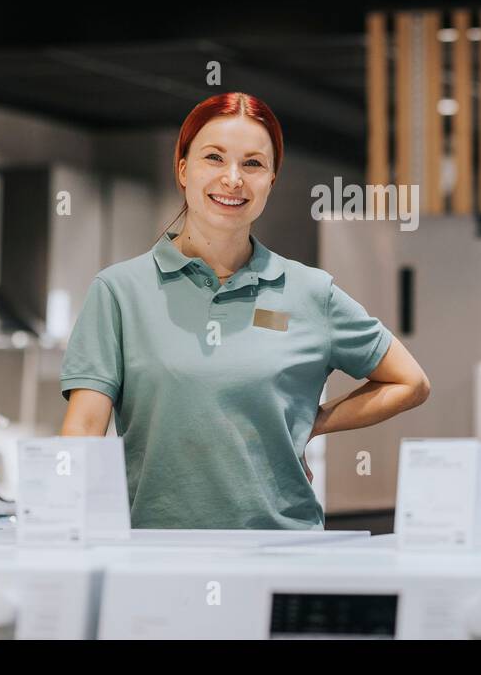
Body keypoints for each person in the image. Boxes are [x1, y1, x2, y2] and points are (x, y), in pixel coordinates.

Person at [59, 91, 430, 529]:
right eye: (214, 158)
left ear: (271, 179)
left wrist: (314, 422)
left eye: (253, 164)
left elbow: (411, 382)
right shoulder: (119, 292)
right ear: (182, 169)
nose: (233, 178)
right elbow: (83, 433)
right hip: (157, 557)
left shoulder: (310, 292)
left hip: (285, 553)